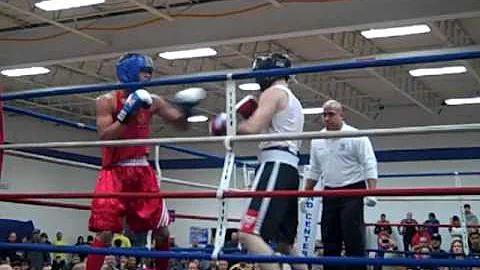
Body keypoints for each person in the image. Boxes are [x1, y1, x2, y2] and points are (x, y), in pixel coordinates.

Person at [86, 53, 206, 270]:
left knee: (163, 231)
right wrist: (126, 114)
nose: (148, 77)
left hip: (141, 169)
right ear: (129, 72)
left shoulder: (153, 101)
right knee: (105, 231)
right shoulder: (106, 101)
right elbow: (105, 136)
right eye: (144, 72)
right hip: (114, 171)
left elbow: (180, 125)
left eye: (150, 73)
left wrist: (186, 109)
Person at [210, 53, 305, 270]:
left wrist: (226, 126)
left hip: (275, 165)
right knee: (285, 244)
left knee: (248, 234)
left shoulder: (273, 93)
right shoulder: (293, 99)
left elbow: (252, 128)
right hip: (290, 169)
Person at [303, 99, 378, 270]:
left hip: (353, 189)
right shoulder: (317, 140)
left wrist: (372, 192)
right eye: (324, 115)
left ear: (341, 115)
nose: (327, 118)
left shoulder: (356, 135)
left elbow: (369, 163)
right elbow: (314, 169)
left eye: (331, 114)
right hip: (329, 191)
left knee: (353, 238)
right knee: (329, 238)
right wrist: (305, 194)